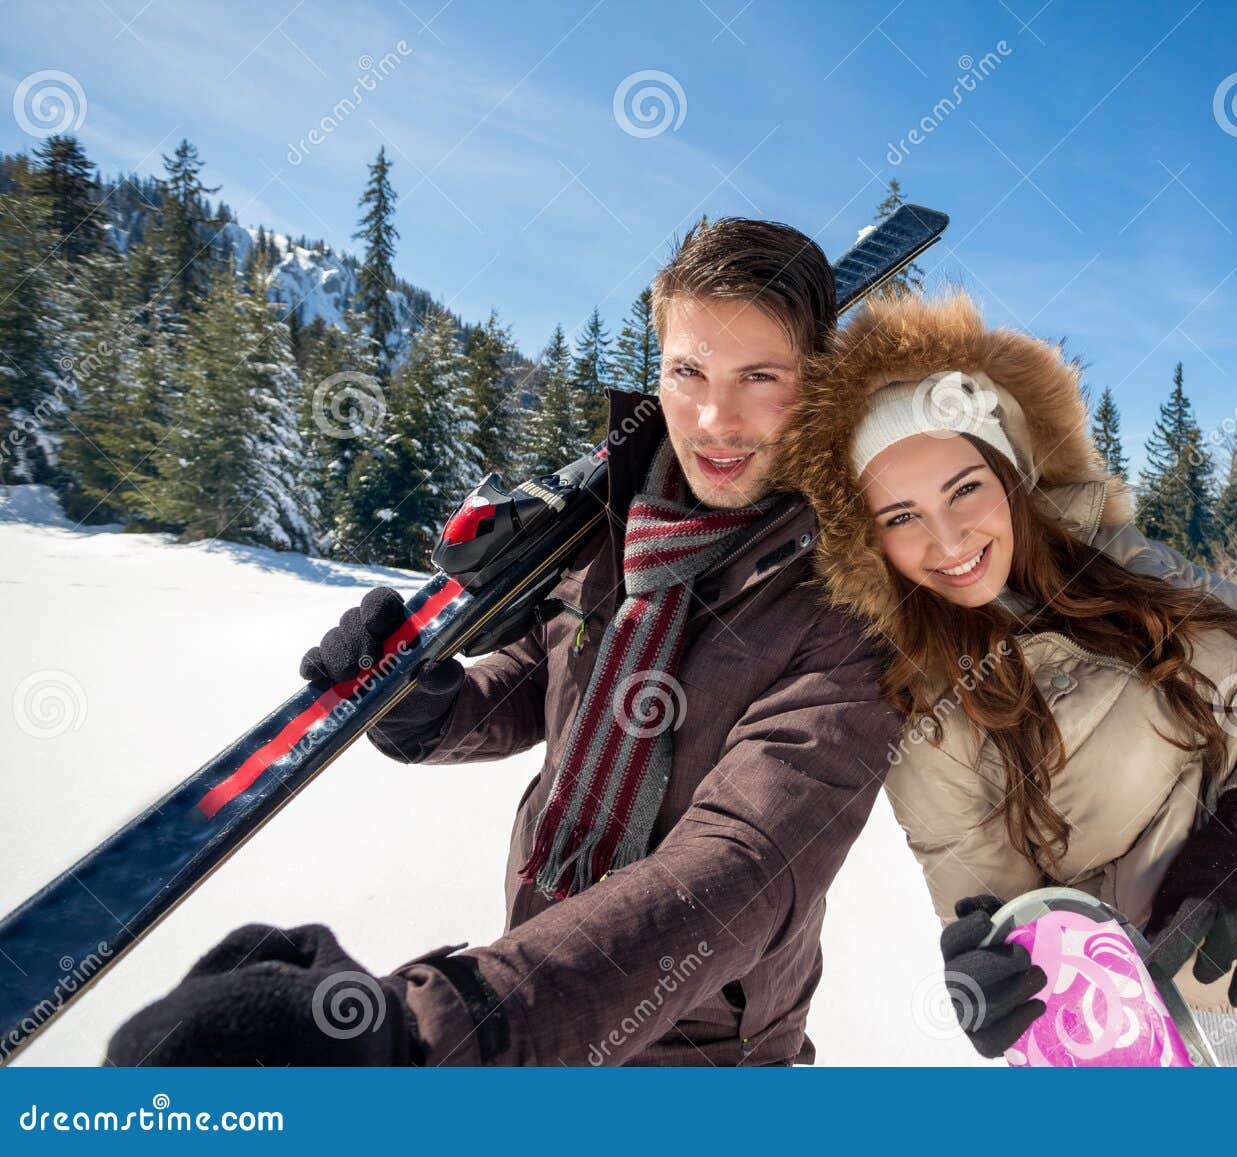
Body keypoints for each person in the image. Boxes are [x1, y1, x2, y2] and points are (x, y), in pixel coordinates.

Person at [105, 219, 902, 1067]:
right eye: (689, 371)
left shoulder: (854, 596)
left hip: (703, 1053)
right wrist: (432, 707)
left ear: (819, 382)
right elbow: (546, 677)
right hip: (543, 975)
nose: (714, 417)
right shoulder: (618, 525)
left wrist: (430, 1034)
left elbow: (742, 869)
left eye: (760, 377)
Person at [775, 290, 1237, 1066]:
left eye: (964, 488)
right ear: (868, 543)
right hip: (1207, 1057)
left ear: (1009, 476)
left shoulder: (1123, 562)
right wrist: (997, 973)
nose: (947, 540)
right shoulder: (932, 710)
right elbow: (1008, 919)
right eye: (901, 516)